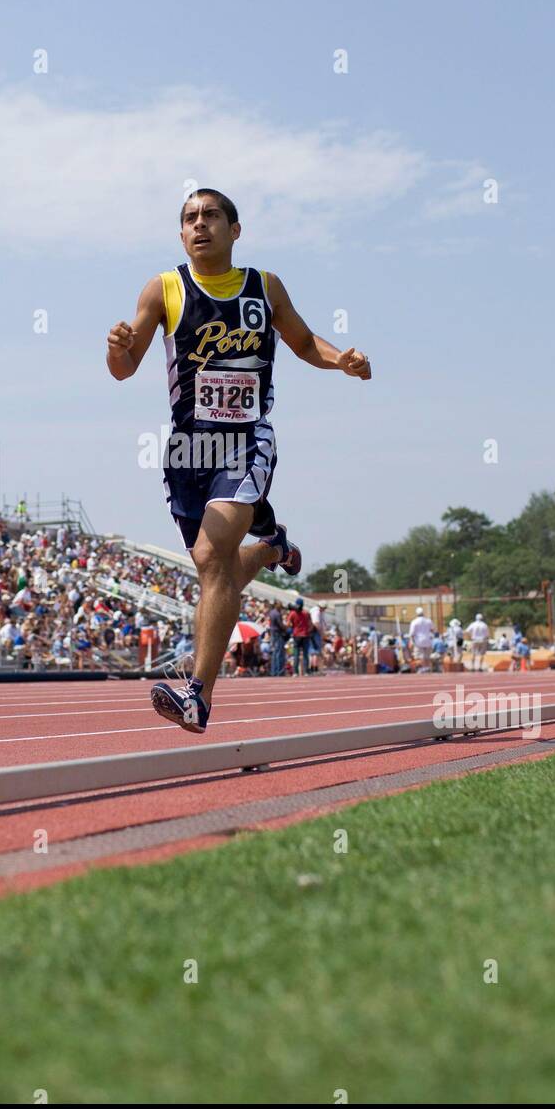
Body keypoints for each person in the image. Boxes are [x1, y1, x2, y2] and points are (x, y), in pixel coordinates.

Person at [107, 188, 370, 731]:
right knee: (217, 568)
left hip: (245, 439)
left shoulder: (263, 286)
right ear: (182, 234)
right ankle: (273, 548)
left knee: (210, 555)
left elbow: (301, 342)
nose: (199, 225)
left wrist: (340, 359)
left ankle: (196, 696)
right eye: (189, 218)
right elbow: (124, 368)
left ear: (234, 229)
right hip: (186, 450)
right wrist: (117, 346)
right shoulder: (163, 288)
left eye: (210, 216)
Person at [287, 598, 313, 677]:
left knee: (296, 654)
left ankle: (295, 672)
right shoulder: (306, 613)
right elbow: (310, 624)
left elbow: (288, 624)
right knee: (305, 654)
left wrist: (293, 626)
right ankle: (306, 672)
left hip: (296, 635)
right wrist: (308, 631)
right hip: (305, 635)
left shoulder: (292, 613)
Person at [409, 605, 434, 672]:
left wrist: (411, 641)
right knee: (427, 656)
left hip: (418, 641)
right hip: (428, 640)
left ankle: (423, 668)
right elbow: (432, 630)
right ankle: (428, 667)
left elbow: (412, 633)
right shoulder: (428, 621)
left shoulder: (414, 622)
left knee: (420, 656)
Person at [268, 600, 286, 677]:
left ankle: (274, 671)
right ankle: (279, 671)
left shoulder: (272, 612)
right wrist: (286, 627)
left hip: (273, 633)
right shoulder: (277, 614)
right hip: (277, 633)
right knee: (278, 652)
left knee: (275, 652)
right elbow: (280, 625)